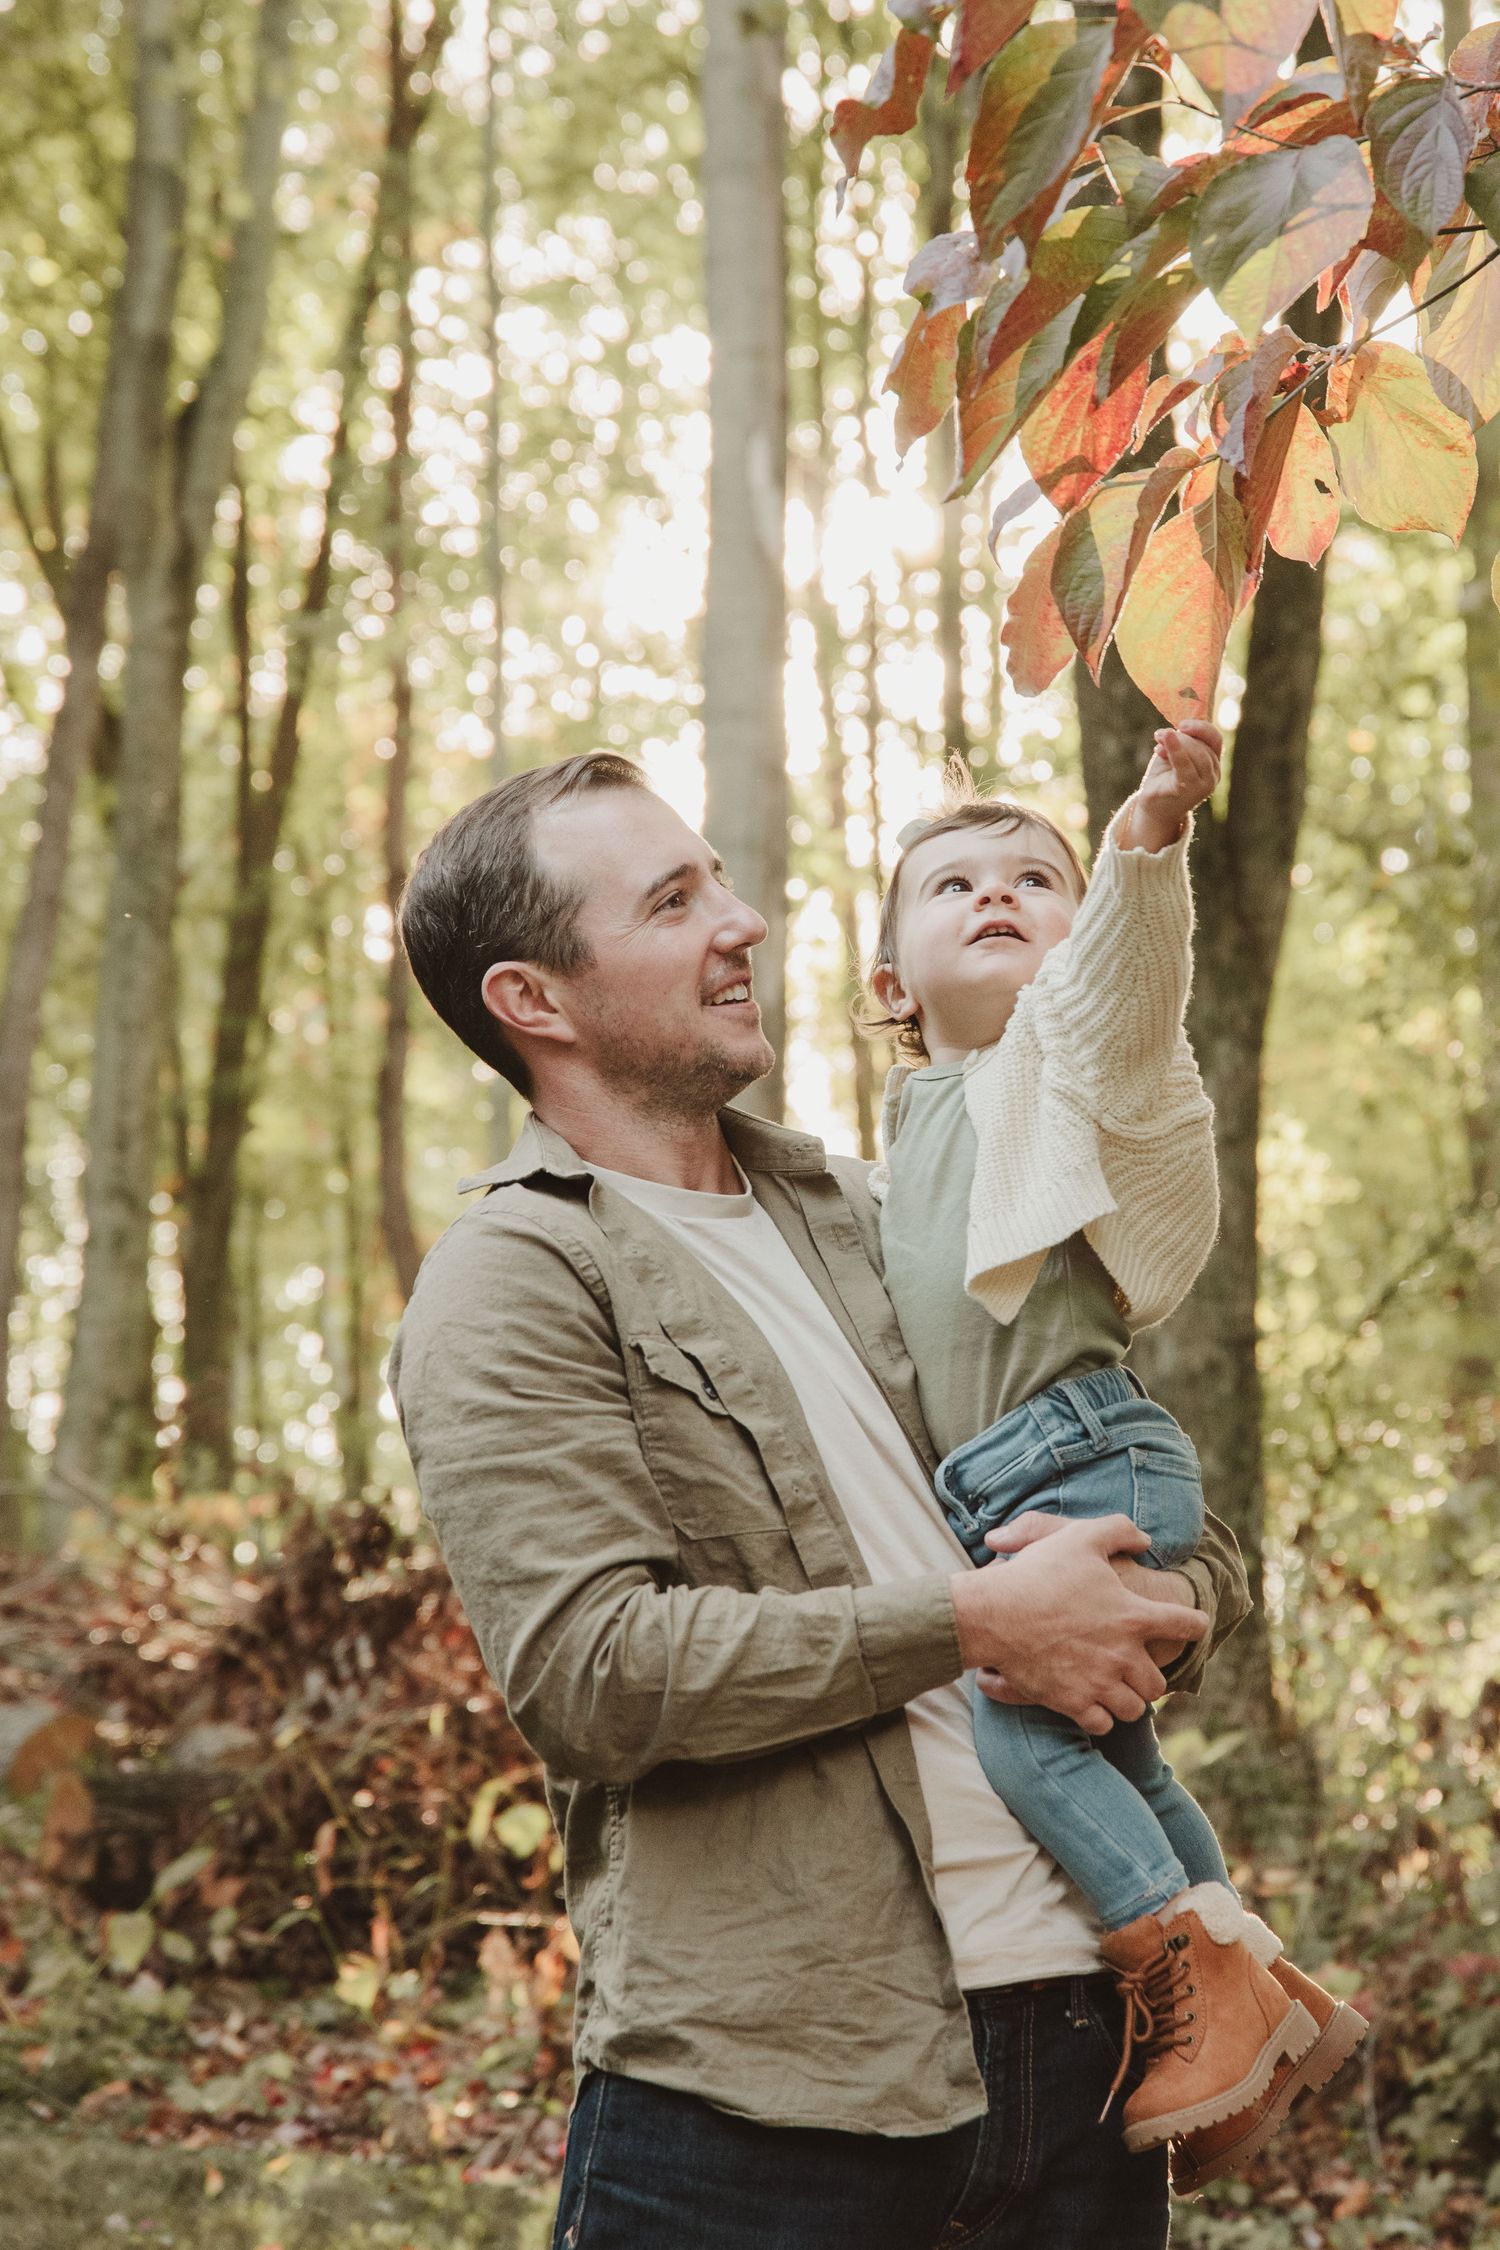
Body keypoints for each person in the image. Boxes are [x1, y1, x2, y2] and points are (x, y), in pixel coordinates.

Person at [388, 750, 1252, 2250]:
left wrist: (1170, 1603)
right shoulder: (511, 1279)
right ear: (537, 999)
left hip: (1089, 2046)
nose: (744, 920)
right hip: (773, 2103)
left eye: (718, 876)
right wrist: (980, 1619)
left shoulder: (890, 1205)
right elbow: (592, 1674)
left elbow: (1141, 1478)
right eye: (674, 900)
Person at [863, 728, 1366, 2184]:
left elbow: (1124, 993)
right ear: (892, 981)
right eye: (951, 883)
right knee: (1119, 1747)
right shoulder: (906, 1128)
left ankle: (1192, 1983)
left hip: (1078, 1453)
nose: (998, 894)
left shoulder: (1055, 1062)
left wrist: (1143, 842)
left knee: (1025, 1730)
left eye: (1036, 879)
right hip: (1018, 1479)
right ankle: (1253, 1981)